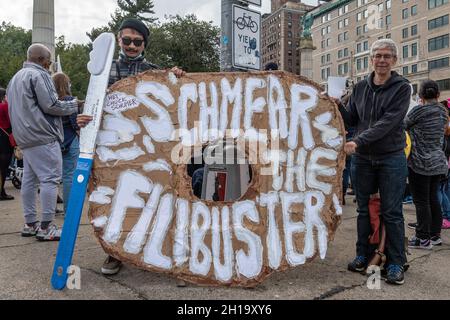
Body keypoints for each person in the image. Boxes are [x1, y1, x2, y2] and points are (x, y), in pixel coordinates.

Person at [77, 18, 185, 280]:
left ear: (144, 43)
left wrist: (178, 77)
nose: (132, 45)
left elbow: (172, 101)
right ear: (119, 40)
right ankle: (115, 252)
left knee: (153, 198)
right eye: (127, 40)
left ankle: (154, 248)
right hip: (113, 148)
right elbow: (93, 104)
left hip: (148, 149)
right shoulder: (105, 71)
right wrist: (82, 117)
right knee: (115, 202)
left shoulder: (155, 71)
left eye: (137, 41)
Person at [337, 39, 411, 285]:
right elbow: (352, 119)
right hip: (363, 159)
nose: (382, 60)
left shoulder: (402, 88)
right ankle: (364, 255)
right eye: (377, 55)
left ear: (394, 60)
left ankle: (395, 263)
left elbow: (389, 122)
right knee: (362, 211)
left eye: (387, 56)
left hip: (391, 156)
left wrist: (357, 141)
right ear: (371, 60)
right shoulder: (359, 88)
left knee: (391, 212)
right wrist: (337, 104)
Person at [7, 44, 80, 241]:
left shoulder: (15, 78)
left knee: (29, 181)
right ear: (43, 60)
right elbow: (52, 105)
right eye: (49, 61)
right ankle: (46, 226)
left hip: (25, 136)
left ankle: (30, 223)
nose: (50, 65)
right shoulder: (39, 75)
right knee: (50, 179)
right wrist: (75, 105)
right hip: (42, 135)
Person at [406, 80, 448, 249]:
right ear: (438, 95)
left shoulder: (418, 111)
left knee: (422, 201)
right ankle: (435, 235)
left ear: (421, 95)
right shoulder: (443, 112)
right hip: (438, 161)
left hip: (420, 163)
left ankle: (422, 238)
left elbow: (402, 125)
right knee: (433, 199)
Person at [52, 72, 81, 215]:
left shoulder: (50, 102)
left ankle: (51, 209)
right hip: (71, 141)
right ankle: (68, 211)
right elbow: (75, 123)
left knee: (51, 178)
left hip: (54, 142)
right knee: (69, 176)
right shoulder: (70, 100)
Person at [0, 88, 14, 201]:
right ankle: (1, 192)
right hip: (4, 137)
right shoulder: (5, 106)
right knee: (3, 166)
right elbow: (11, 121)